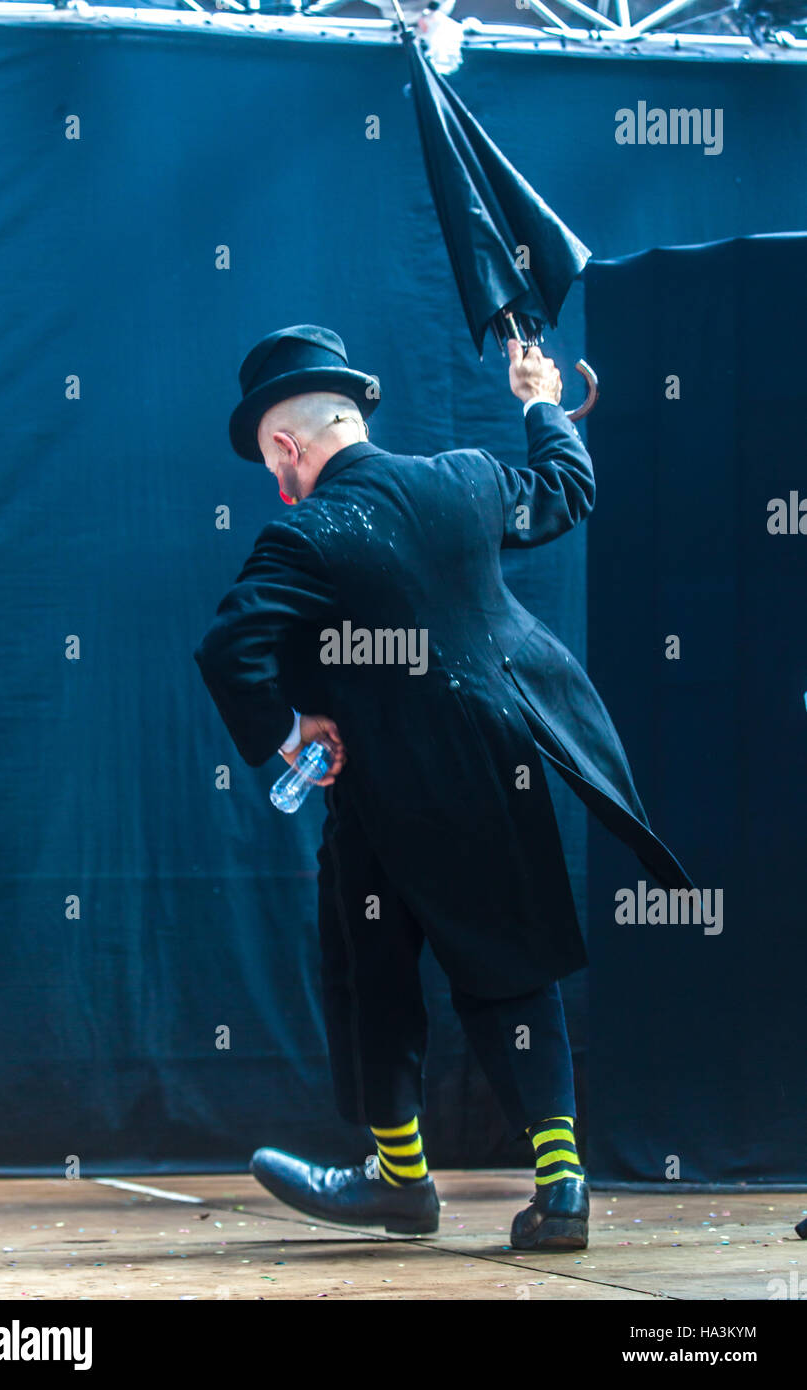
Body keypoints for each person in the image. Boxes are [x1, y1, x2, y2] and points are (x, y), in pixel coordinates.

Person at [194, 324, 694, 1250]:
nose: (277, 481)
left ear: (287, 446)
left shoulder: (305, 531)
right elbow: (565, 489)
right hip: (498, 768)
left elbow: (229, 648)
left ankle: (401, 1181)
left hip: (385, 793)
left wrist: (288, 729)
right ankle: (563, 1188)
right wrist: (540, 400)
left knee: (373, 978)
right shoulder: (465, 477)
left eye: (275, 463)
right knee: (514, 972)